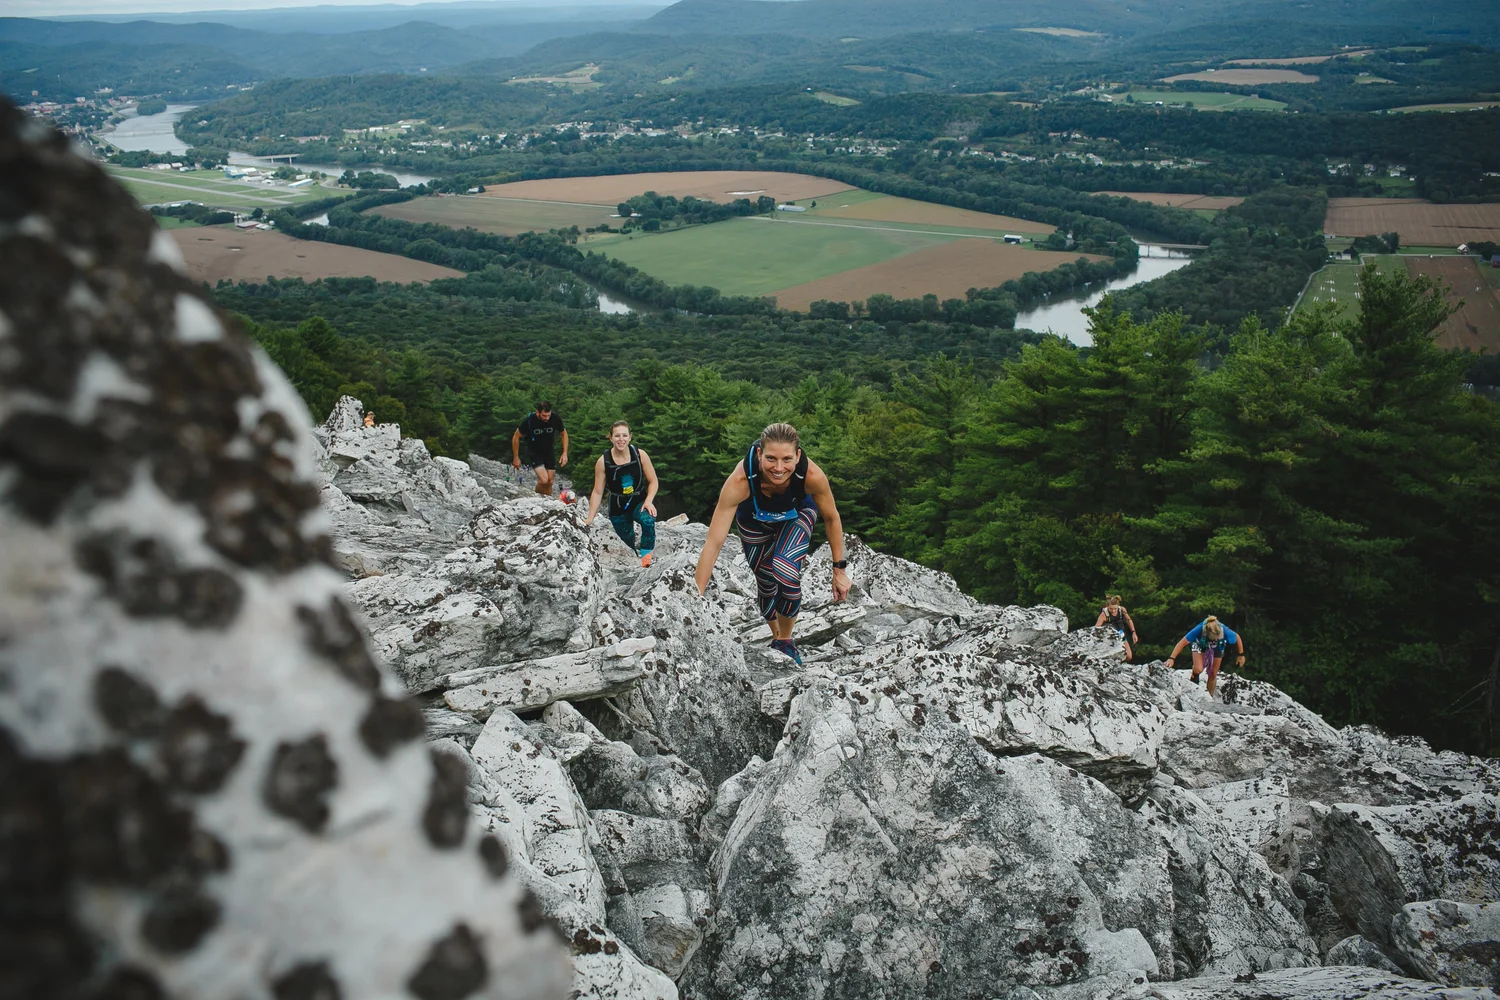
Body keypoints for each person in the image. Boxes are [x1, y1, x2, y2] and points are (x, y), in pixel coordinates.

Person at [694, 422, 851, 665]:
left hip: (797, 514)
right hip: (753, 520)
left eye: (787, 459)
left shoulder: (812, 476)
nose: (779, 468)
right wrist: (696, 596)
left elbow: (832, 518)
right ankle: (776, 634)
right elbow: (714, 542)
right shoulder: (740, 481)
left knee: (785, 572)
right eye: (771, 459)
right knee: (766, 582)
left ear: (798, 456)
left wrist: (839, 570)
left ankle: (785, 642)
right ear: (759, 454)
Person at [583, 421, 659, 568]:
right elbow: (598, 491)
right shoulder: (603, 462)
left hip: (639, 501)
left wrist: (649, 501)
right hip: (618, 507)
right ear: (610, 438)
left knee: (648, 521)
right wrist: (590, 518)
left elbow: (653, 481)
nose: (621, 439)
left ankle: (646, 563)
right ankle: (634, 559)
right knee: (626, 541)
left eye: (625, 435)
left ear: (630, 437)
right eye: (617, 436)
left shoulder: (639, 454)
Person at [1165, 615, 1244, 696]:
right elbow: (1182, 643)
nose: (1216, 639)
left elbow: (1237, 637)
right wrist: (1172, 658)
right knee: (1199, 669)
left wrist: (1241, 655)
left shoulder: (1224, 630)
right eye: (1213, 638)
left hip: (1218, 647)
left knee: (1213, 674)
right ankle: (1194, 678)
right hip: (1200, 644)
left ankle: (1209, 697)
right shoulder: (1199, 629)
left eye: (1217, 637)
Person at [511, 401, 568, 497]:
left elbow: (564, 434)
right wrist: (516, 457)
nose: (547, 418)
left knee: (550, 481)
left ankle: (547, 500)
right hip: (535, 452)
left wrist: (565, 452)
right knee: (544, 480)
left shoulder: (555, 418)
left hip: (549, 451)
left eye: (548, 415)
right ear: (537, 412)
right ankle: (536, 496)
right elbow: (516, 437)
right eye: (544, 416)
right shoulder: (530, 420)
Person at [1095, 594, 1138, 662]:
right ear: (1107, 607)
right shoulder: (1103, 615)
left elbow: (1128, 620)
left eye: (1115, 608)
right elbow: (1096, 629)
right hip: (1108, 636)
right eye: (1111, 609)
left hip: (1120, 633)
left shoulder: (1122, 610)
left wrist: (1133, 632)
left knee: (1129, 656)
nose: (1113, 611)